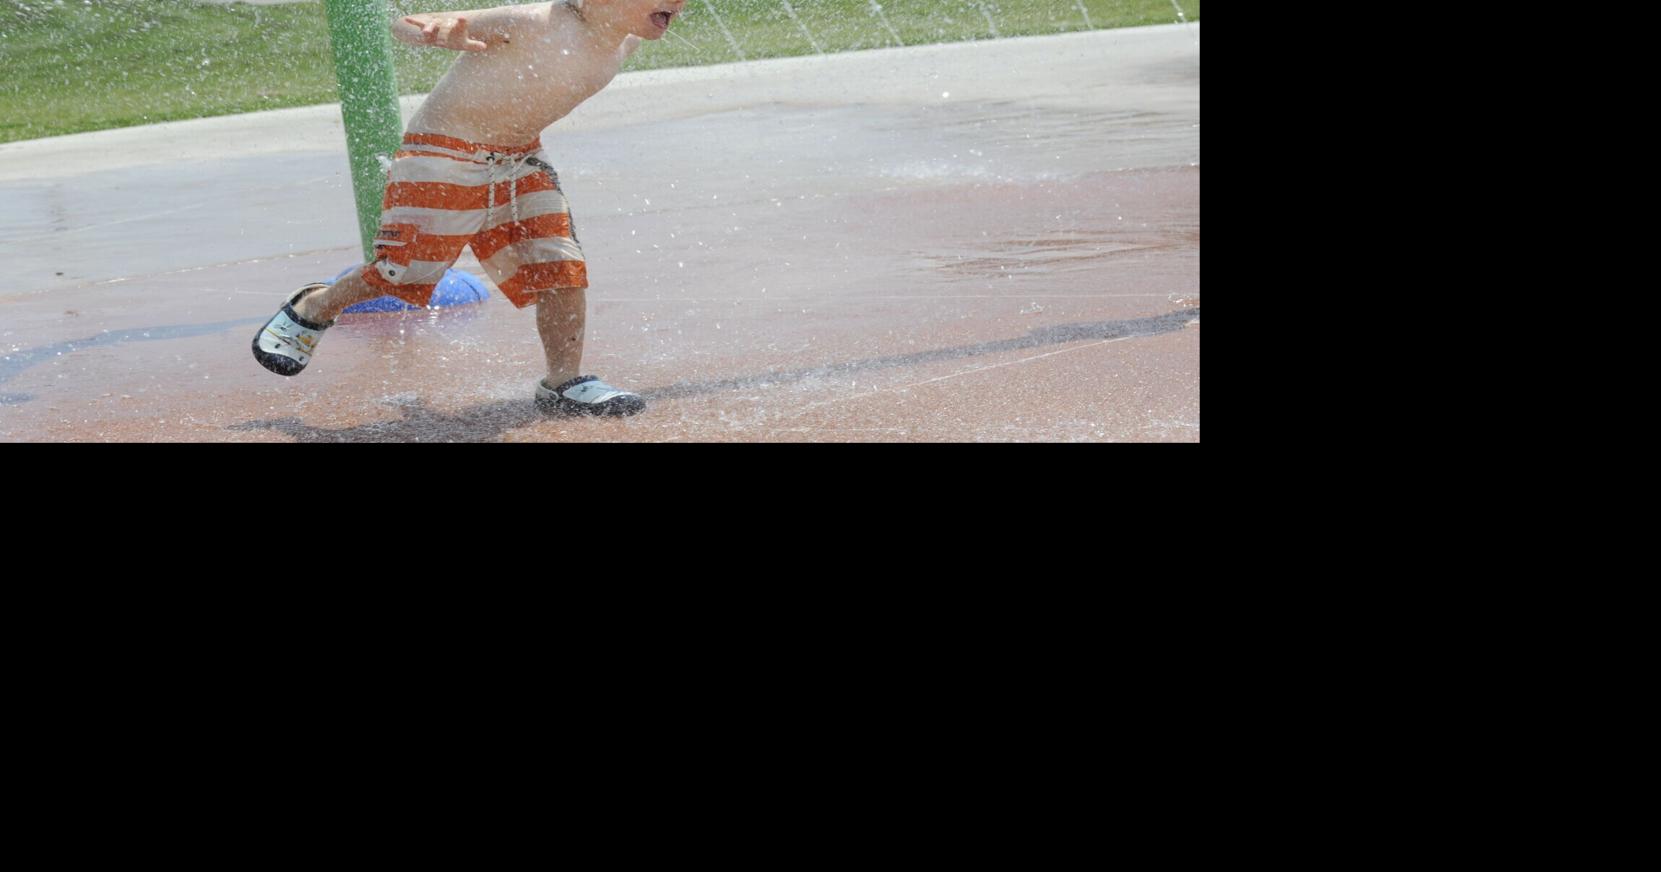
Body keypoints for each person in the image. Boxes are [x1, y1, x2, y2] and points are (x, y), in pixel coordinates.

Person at [252, 0, 685, 416]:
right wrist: (436, 33)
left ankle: (564, 381)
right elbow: (407, 23)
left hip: (520, 156)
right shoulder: (533, 23)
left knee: (559, 265)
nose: (680, 3)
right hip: (445, 151)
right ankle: (314, 306)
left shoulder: (624, 39)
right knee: (405, 271)